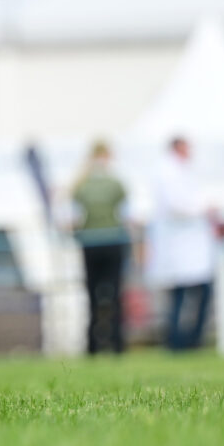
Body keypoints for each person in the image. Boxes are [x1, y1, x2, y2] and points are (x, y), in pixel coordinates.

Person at [147, 137, 218, 352]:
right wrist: (203, 208)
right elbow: (177, 205)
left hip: (188, 246)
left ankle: (186, 340)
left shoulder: (180, 171)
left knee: (191, 294)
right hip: (180, 245)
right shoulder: (168, 172)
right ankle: (180, 341)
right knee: (184, 295)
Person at [71, 142, 131, 355]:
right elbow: (127, 214)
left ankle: (94, 347)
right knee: (113, 295)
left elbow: (72, 217)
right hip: (111, 241)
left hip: (91, 244)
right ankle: (115, 345)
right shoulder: (115, 183)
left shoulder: (80, 184)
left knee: (93, 296)